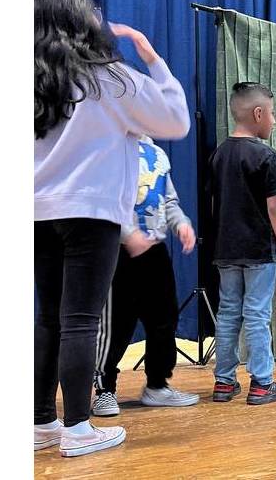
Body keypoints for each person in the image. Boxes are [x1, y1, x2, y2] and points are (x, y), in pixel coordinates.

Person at [34, 0, 190, 456]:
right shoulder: (107, 77)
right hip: (91, 212)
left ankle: (41, 423)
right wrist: (152, 58)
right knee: (82, 320)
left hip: (35, 212)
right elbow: (175, 121)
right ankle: (79, 429)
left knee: (50, 319)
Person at [91, 135, 200, 417]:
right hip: (117, 250)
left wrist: (181, 224)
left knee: (164, 317)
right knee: (115, 323)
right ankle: (104, 390)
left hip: (154, 249)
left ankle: (157, 385)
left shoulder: (155, 153)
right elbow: (103, 198)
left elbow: (168, 199)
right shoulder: (108, 148)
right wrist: (129, 234)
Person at [208, 82, 276, 405]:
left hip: (226, 250)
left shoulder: (219, 154)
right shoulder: (266, 156)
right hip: (258, 251)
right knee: (257, 315)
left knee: (229, 313)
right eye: (271, 114)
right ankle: (262, 382)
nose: (273, 120)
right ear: (258, 114)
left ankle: (224, 382)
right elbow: (275, 207)